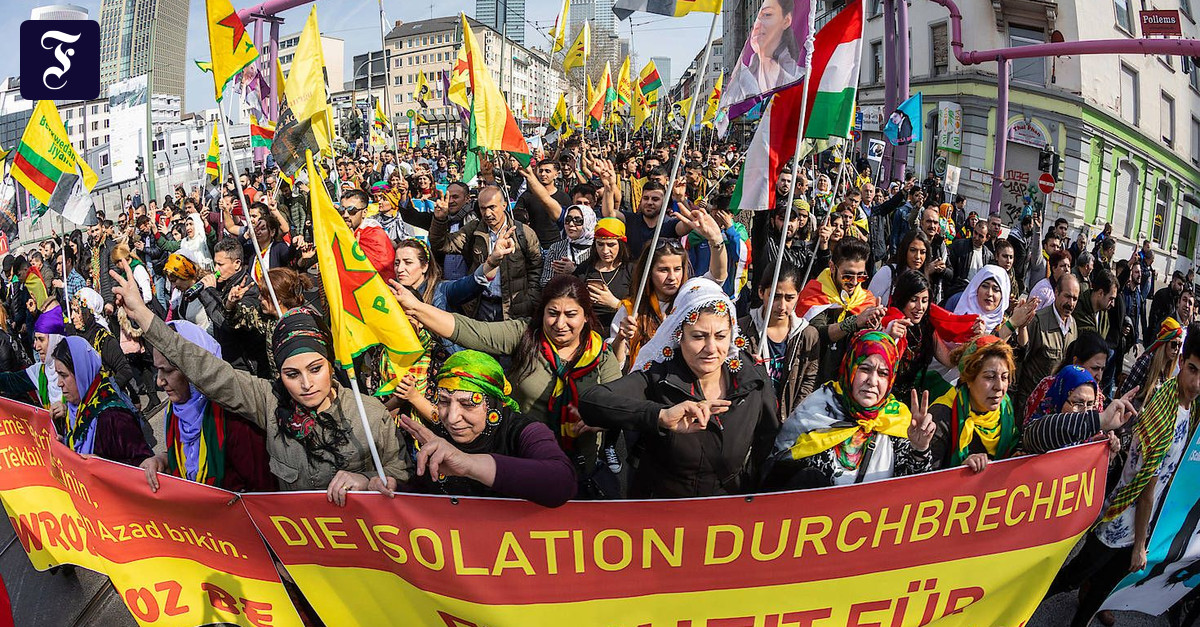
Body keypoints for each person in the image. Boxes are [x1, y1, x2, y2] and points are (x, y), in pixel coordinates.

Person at [112, 262, 410, 504]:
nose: (306, 384)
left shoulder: (370, 415)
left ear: (330, 364)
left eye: (316, 369)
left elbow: (406, 480)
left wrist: (370, 480)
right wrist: (143, 315)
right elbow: (206, 369)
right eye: (291, 375)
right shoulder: (269, 402)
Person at [1045, 324, 1200, 627]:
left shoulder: (1189, 406)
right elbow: (1146, 489)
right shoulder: (1163, 410)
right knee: (1071, 577)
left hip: (1146, 520)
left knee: (1103, 586)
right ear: (1181, 361)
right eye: (1192, 369)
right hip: (1123, 518)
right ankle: (1022, 608)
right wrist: (1140, 545)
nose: (1196, 383)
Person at [578, 277, 780, 498]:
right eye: (699, 336)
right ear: (679, 335)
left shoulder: (753, 379)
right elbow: (591, 401)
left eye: (721, 336)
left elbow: (767, 446)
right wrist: (660, 416)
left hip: (727, 513)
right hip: (666, 513)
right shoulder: (658, 377)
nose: (711, 348)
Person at [395, 350, 577, 507]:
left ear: (494, 404)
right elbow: (423, 494)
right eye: (443, 401)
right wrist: (393, 490)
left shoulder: (525, 431)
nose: (452, 418)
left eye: (467, 404)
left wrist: (467, 463)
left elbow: (562, 482)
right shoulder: (440, 432)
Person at [763, 330, 935, 488]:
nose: (873, 381)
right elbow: (776, 477)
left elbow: (914, 491)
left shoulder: (898, 420)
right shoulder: (817, 409)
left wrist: (919, 449)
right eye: (865, 369)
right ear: (849, 367)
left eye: (883, 374)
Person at [139, 321, 275, 493]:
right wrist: (163, 460)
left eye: (169, 370)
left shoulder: (234, 417)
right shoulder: (174, 412)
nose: (159, 381)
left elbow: (263, 493)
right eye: (158, 370)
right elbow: (187, 460)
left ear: (196, 370)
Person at [429, 186, 544, 321]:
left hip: (514, 310)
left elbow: (536, 267)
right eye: (483, 208)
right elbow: (441, 245)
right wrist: (440, 219)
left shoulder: (523, 233)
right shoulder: (473, 230)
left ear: (504, 205)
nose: (487, 213)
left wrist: (530, 299)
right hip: (481, 307)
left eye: (492, 207)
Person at [880, 270, 980, 401]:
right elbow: (876, 361)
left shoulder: (926, 326)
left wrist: (976, 340)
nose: (919, 307)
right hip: (883, 396)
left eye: (924, 300)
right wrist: (889, 337)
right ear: (902, 299)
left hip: (913, 398)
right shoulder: (889, 323)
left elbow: (948, 361)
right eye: (913, 300)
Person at [52, 336, 153, 466]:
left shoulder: (114, 416)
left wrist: (104, 466)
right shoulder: (72, 410)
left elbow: (143, 466)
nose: (59, 383)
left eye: (64, 375)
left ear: (81, 373)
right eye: (57, 375)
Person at [795, 237, 883, 387]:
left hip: (850, 382)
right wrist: (854, 322)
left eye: (861, 275)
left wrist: (876, 328)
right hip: (815, 381)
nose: (854, 282)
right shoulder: (815, 293)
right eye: (848, 275)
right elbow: (816, 334)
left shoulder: (866, 299)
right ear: (832, 267)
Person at [929, 336, 1020, 472]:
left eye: (1004, 377)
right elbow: (926, 478)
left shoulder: (1005, 406)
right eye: (990, 377)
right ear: (969, 380)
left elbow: (1013, 446)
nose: (999, 387)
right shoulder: (942, 415)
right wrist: (959, 471)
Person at [739, 266, 818, 414]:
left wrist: (794, 417)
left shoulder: (808, 335)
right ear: (761, 292)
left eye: (789, 298)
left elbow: (809, 379)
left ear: (798, 296)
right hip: (750, 417)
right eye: (775, 296)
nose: (782, 306)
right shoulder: (742, 330)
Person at [1011, 273, 1079, 416]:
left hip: (1053, 407)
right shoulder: (1038, 321)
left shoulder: (1073, 325)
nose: (1071, 303)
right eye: (1067, 296)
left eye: (1075, 299)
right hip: (1029, 404)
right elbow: (1020, 361)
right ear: (1056, 293)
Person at [1022, 331, 1111, 426]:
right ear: (1076, 362)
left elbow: (1096, 429)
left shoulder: (1097, 394)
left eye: (1089, 404)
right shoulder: (1048, 386)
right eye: (1095, 368)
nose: (1099, 377)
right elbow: (1029, 427)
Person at [574, 217, 634, 330]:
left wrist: (616, 304)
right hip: (589, 330)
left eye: (611, 245)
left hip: (620, 330)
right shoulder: (584, 269)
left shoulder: (631, 270)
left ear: (621, 245)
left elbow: (641, 309)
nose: (605, 251)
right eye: (600, 244)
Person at [1121, 318, 1182, 410]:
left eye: (1179, 345)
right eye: (1173, 344)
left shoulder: (1167, 369)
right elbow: (1125, 391)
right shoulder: (1146, 361)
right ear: (1164, 343)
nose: (1176, 349)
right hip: (1133, 418)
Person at [339, 189, 395, 283]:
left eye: (351, 210)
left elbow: (380, 271)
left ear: (364, 212)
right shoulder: (344, 231)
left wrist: (354, 254)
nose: (345, 215)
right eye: (341, 210)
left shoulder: (374, 234)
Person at [867, 229, 928, 305]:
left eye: (922, 252)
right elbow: (868, 304)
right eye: (913, 250)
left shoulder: (923, 278)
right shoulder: (887, 273)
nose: (918, 256)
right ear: (905, 250)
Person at [541, 204, 596, 286]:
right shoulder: (556, 248)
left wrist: (574, 271)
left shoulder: (597, 249)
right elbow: (544, 282)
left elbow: (596, 281)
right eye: (568, 219)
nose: (571, 224)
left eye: (577, 220)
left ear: (588, 222)